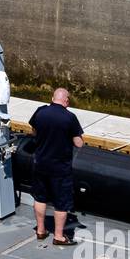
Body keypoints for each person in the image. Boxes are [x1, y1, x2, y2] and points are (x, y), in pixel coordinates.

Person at [29, 88, 85, 246]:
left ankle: (40, 230)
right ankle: (59, 236)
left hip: (40, 163)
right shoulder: (69, 118)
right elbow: (78, 143)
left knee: (40, 197)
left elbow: (34, 132)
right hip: (60, 168)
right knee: (61, 202)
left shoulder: (40, 112)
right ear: (66, 101)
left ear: (52, 98)